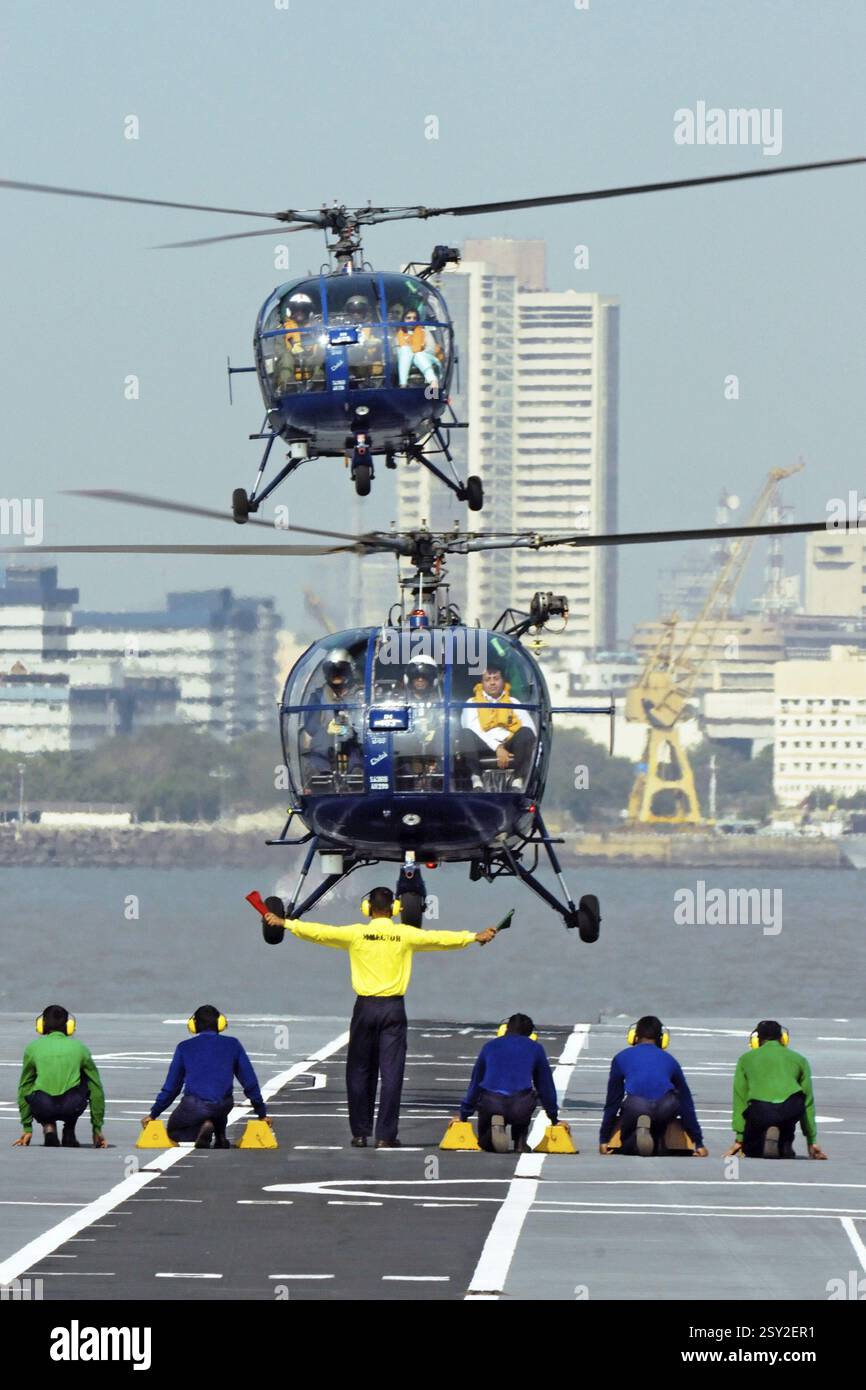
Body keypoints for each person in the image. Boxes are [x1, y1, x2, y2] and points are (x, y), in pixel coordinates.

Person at [263, 886, 497, 1148]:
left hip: (364, 1008)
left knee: (359, 1071)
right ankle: (386, 1136)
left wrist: (285, 922)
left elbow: (319, 932)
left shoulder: (356, 933)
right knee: (392, 1073)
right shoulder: (404, 934)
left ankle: (360, 1133)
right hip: (393, 1010)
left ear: (368, 909)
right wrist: (474, 936)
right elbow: (439, 939)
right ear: (395, 909)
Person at [144, 1005, 271, 1149]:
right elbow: (250, 1082)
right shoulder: (233, 1044)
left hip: (195, 1106)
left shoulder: (184, 1047)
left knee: (174, 1131)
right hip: (224, 1105)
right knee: (218, 1104)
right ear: (220, 1023)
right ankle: (220, 1135)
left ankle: (203, 1129)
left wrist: (154, 1113)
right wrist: (262, 1113)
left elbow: (172, 1087)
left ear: (194, 1025)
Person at [599, 1016, 708, 1157]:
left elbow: (613, 1101)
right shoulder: (670, 1060)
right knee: (661, 1126)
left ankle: (636, 1140)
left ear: (634, 1036)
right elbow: (686, 1102)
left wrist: (604, 1139)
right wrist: (698, 1142)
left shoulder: (621, 1057)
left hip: (636, 1105)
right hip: (665, 1106)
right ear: (662, 1039)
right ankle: (657, 1140)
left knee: (626, 1141)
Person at [458, 1013, 565, 1153]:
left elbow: (475, 1083)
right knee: (527, 1094)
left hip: (491, 1103)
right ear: (530, 1032)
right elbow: (545, 1086)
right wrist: (554, 1118)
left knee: (485, 1141)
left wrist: (463, 1115)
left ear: (506, 1028)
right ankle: (520, 1141)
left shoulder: (489, 1046)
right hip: (520, 1107)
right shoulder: (536, 1049)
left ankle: (489, 1135)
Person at [724, 1021, 827, 1161]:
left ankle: (766, 1141)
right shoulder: (800, 1059)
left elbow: (740, 1100)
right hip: (789, 1110)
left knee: (751, 1147)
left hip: (761, 1110)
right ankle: (784, 1143)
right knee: (789, 1117)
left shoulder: (745, 1059)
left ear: (756, 1040)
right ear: (783, 1039)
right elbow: (807, 1102)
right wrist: (811, 1141)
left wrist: (739, 1139)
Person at [14, 1005, 107, 1149]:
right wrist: (97, 1129)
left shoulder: (32, 1048)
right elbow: (97, 1090)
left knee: (31, 1082)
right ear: (69, 1026)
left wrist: (27, 1128)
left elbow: (24, 1089)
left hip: (43, 1107)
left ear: (41, 1025)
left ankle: (48, 1126)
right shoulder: (80, 1048)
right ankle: (69, 1128)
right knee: (86, 1080)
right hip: (72, 1106)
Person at [460, 661, 536, 791]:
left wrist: (503, 747)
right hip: (483, 744)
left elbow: (531, 730)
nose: (492, 683)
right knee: (466, 734)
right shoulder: (471, 703)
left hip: (509, 744)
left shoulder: (513, 702)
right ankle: (476, 779)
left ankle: (518, 781)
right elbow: (472, 728)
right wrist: (498, 748)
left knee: (526, 733)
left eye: (496, 678)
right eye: (487, 679)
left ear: (503, 681)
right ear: (482, 683)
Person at [302, 648, 363, 786]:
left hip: (354, 740)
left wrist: (350, 728)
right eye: (332, 671)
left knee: (358, 747)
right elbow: (311, 726)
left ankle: (357, 773)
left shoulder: (360, 696)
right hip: (327, 745)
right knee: (322, 739)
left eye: (341, 671)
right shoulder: (318, 696)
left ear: (349, 671)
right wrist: (328, 728)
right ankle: (322, 774)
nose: (336, 675)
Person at [396, 307, 442, 388]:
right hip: (405, 361)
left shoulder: (424, 332)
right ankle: (403, 384)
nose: (411, 320)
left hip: (426, 358)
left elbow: (431, 350)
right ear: (403, 319)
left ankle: (433, 381)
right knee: (405, 349)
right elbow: (395, 352)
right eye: (408, 318)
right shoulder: (398, 335)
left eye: (414, 318)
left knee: (418, 355)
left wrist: (415, 352)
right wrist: (410, 353)